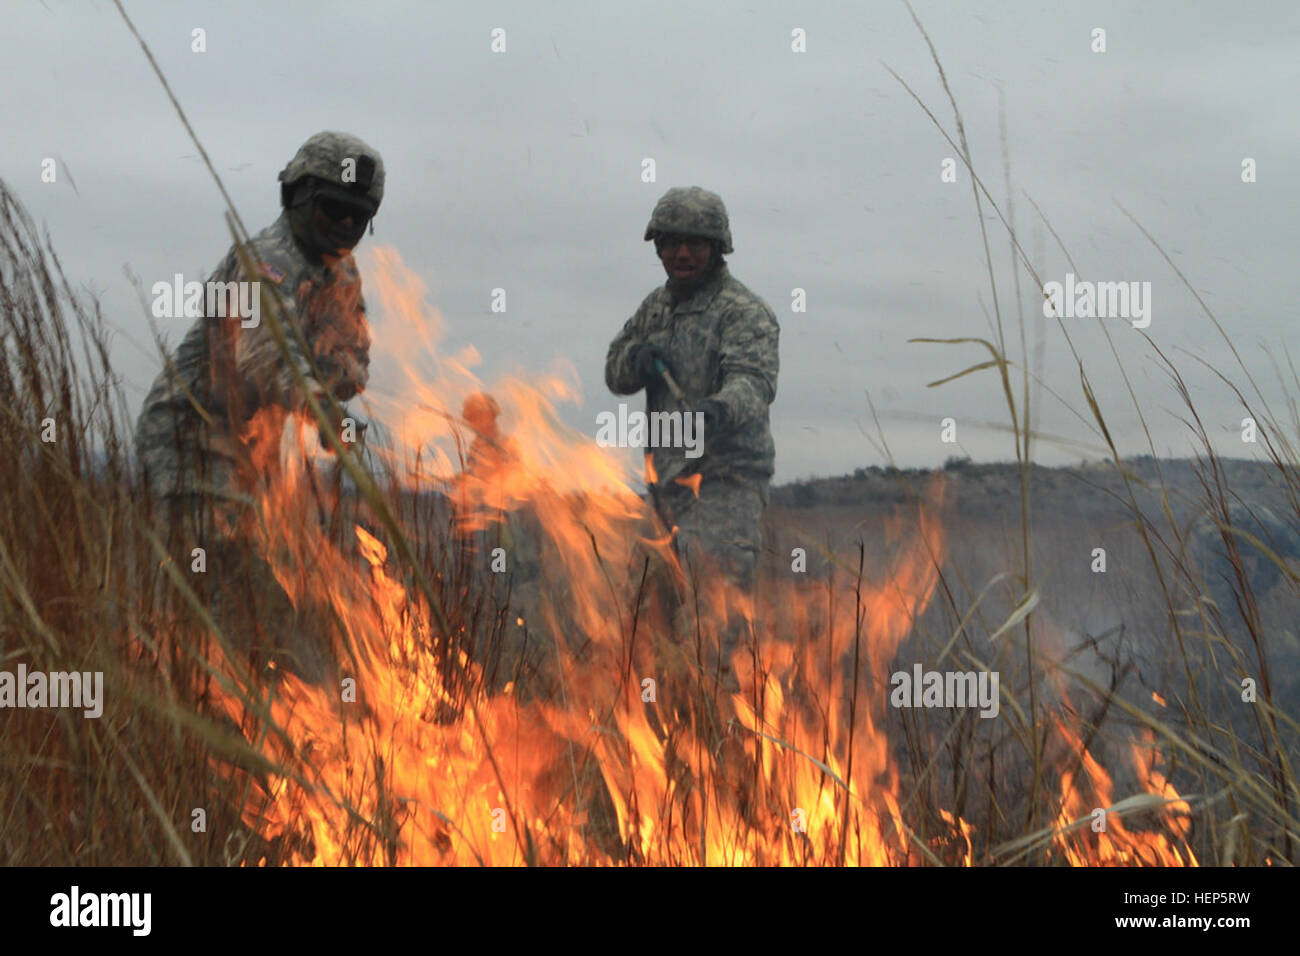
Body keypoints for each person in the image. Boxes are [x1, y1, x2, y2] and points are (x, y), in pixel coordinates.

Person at [134, 131, 384, 681]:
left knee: (273, 585)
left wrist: (337, 381)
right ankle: (208, 718)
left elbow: (354, 358)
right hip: (192, 433)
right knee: (228, 580)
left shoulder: (340, 272)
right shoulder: (263, 261)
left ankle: (255, 709)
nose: (344, 227)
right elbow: (268, 355)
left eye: (357, 219)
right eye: (332, 211)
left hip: (254, 448)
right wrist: (318, 402)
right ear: (296, 197)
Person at [604, 186, 779, 698]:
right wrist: (636, 358)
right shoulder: (654, 309)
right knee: (640, 623)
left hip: (724, 484)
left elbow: (755, 383)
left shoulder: (743, 311)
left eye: (695, 244)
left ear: (717, 247)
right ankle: (653, 748)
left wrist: (716, 411)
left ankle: (723, 747)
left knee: (716, 629)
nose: (681, 254)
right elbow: (616, 371)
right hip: (665, 490)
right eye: (670, 243)